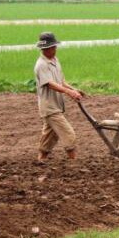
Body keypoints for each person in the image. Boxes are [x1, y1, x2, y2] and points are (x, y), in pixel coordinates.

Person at [34, 32, 84, 161]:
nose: (55, 49)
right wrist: (68, 92)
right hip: (50, 107)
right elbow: (50, 84)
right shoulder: (41, 65)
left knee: (49, 137)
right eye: (53, 47)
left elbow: (61, 81)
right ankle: (73, 162)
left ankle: (41, 160)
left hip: (57, 105)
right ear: (45, 49)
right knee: (69, 134)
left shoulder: (55, 61)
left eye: (55, 47)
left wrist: (74, 90)